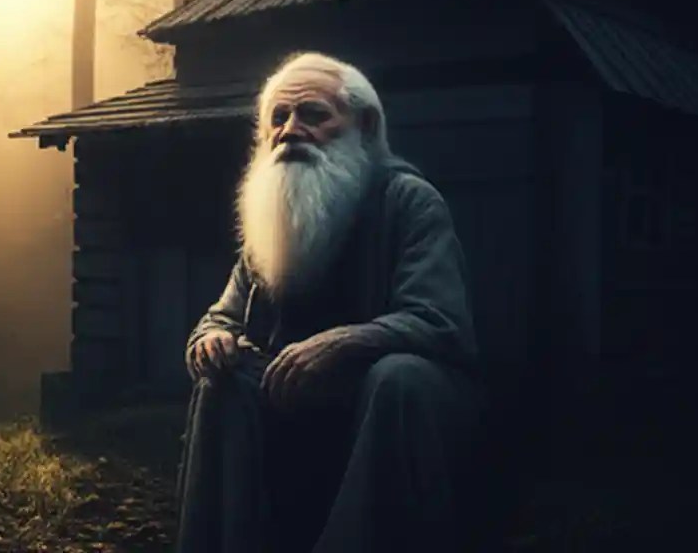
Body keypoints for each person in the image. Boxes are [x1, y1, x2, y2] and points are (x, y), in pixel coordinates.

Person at [175, 52, 487, 553]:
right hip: (295, 399)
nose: (290, 130)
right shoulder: (274, 215)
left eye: (314, 115)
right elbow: (220, 317)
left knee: (399, 375)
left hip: (393, 404)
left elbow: (441, 322)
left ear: (363, 127)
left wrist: (344, 343)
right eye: (279, 117)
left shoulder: (409, 201)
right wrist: (211, 341)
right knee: (222, 384)